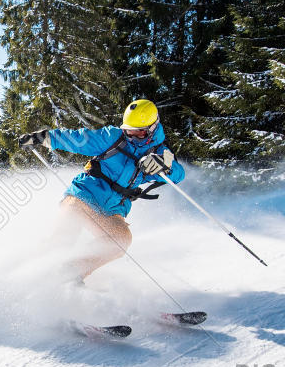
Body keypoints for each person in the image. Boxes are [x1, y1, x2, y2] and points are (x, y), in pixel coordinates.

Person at [17, 99, 185, 284]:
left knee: (120, 240)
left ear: (152, 128)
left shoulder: (160, 152)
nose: (132, 136)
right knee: (63, 238)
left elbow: (178, 175)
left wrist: (165, 166)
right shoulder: (113, 138)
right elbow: (78, 139)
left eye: (139, 132)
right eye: (129, 131)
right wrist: (44, 137)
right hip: (82, 196)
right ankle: (30, 273)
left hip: (111, 210)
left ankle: (71, 274)